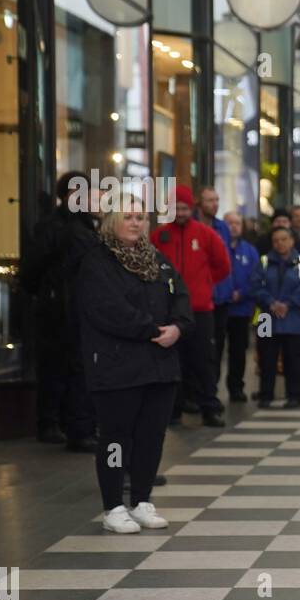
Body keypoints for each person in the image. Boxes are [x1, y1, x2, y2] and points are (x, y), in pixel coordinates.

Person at [77, 203, 192, 534]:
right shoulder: (97, 261)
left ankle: (142, 501)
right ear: (113, 220)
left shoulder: (157, 259)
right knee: (115, 439)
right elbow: (108, 309)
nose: (135, 222)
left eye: (140, 217)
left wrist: (179, 327)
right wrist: (154, 330)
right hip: (117, 366)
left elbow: (180, 296)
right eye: (127, 216)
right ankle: (112, 506)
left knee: (151, 437)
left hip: (159, 366)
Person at [20, 171, 96, 449]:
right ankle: (50, 422)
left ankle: (73, 423)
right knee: (54, 366)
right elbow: (33, 267)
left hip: (79, 306)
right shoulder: (53, 226)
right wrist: (45, 295)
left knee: (77, 366)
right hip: (56, 307)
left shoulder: (87, 226)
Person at [151, 185, 230, 427]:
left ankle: (210, 408)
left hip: (200, 308)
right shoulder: (159, 235)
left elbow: (223, 266)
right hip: (170, 310)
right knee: (172, 360)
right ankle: (172, 411)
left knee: (204, 360)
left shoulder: (206, 234)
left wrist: (205, 284)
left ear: (191, 208)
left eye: (184, 208)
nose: (181, 212)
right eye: (176, 208)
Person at [250, 226, 300, 408]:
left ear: (292, 241)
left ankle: (295, 395)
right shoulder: (263, 262)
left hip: (292, 315)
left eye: (284, 239)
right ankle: (265, 394)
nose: (280, 243)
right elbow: (255, 286)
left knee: (293, 358)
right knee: (266, 358)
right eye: (276, 240)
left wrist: (287, 303)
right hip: (266, 317)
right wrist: (271, 303)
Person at [212, 211, 259, 403]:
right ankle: (211, 389)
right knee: (215, 350)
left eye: (237, 223)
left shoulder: (249, 250)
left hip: (242, 309)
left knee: (239, 351)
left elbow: (256, 277)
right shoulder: (216, 247)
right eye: (230, 223)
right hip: (219, 307)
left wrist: (242, 292)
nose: (234, 226)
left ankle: (236, 387)